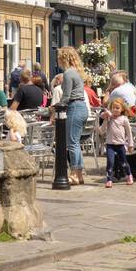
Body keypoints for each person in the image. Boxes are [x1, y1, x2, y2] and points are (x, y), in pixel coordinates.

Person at [55, 47, 89, 185]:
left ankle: (74, 174)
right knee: (75, 143)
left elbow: (66, 96)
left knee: (72, 143)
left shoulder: (68, 73)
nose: (57, 60)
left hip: (74, 108)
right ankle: (79, 175)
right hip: (81, 107)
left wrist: (56, 106)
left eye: (59, 57)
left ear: (64, 58)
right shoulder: (76, 72)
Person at [96, 96, 134, 187]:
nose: (115, 110)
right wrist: (105, 119)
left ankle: (129, 175)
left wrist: (130, 144)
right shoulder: (109, 118)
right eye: (113, 108)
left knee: (124, 162)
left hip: (120, 144)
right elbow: (102, 131)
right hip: (110, 144)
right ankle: (109, 179)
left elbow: (129, 133)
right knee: (110, 162)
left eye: (118, 108)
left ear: (122, 109)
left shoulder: (124, 119)